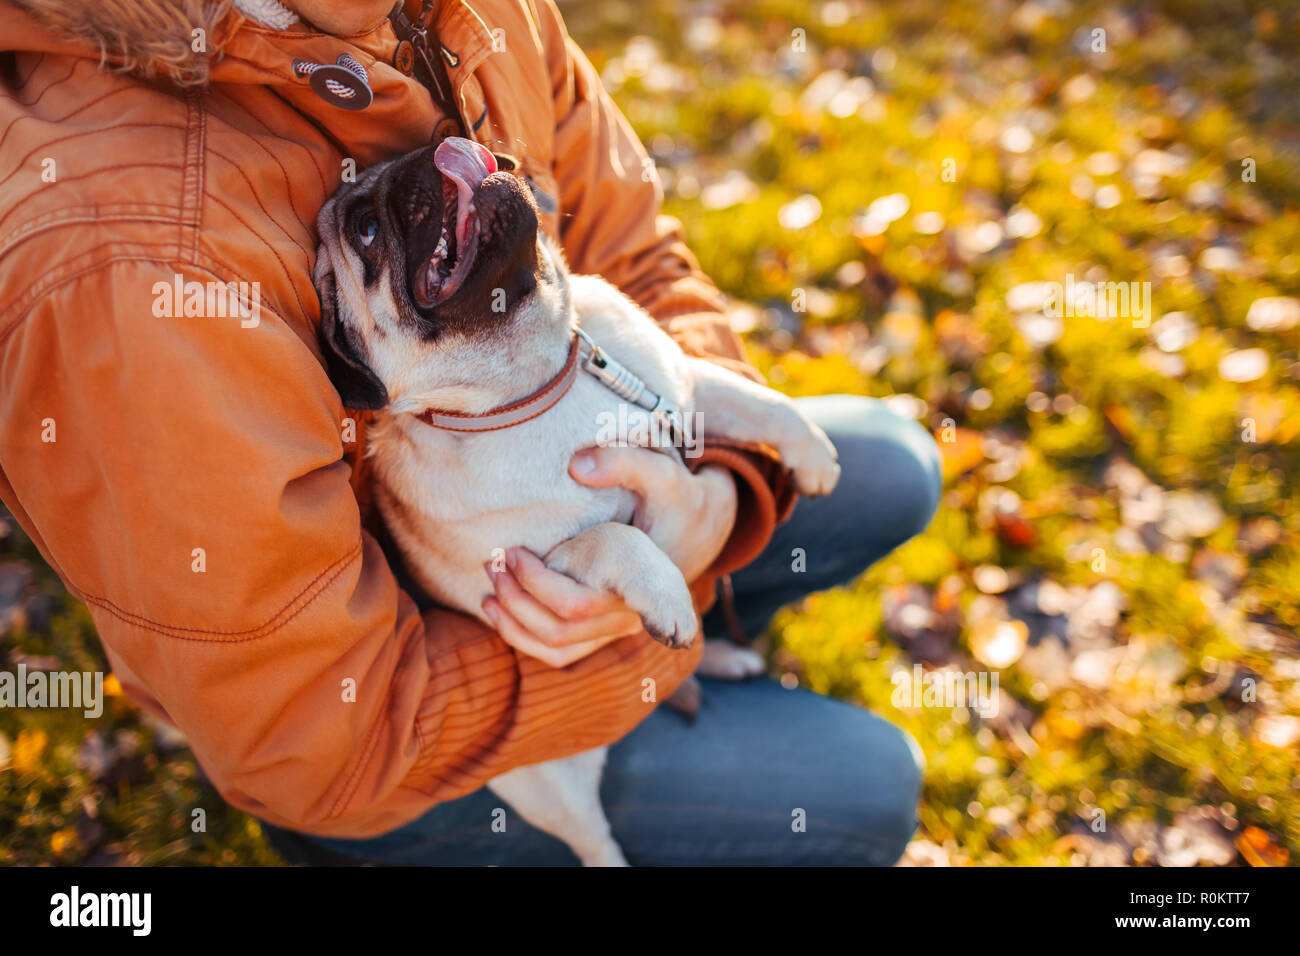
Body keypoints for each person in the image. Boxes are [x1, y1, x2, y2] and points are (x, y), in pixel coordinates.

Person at [0, 0, 940, 865]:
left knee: (890, 464)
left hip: (624, 547)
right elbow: (319, 744)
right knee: (869, 789)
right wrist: (643, 641)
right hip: (401, 746)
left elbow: (634, 251)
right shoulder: (124, 265)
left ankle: (712, 683)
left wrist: (722, 492)